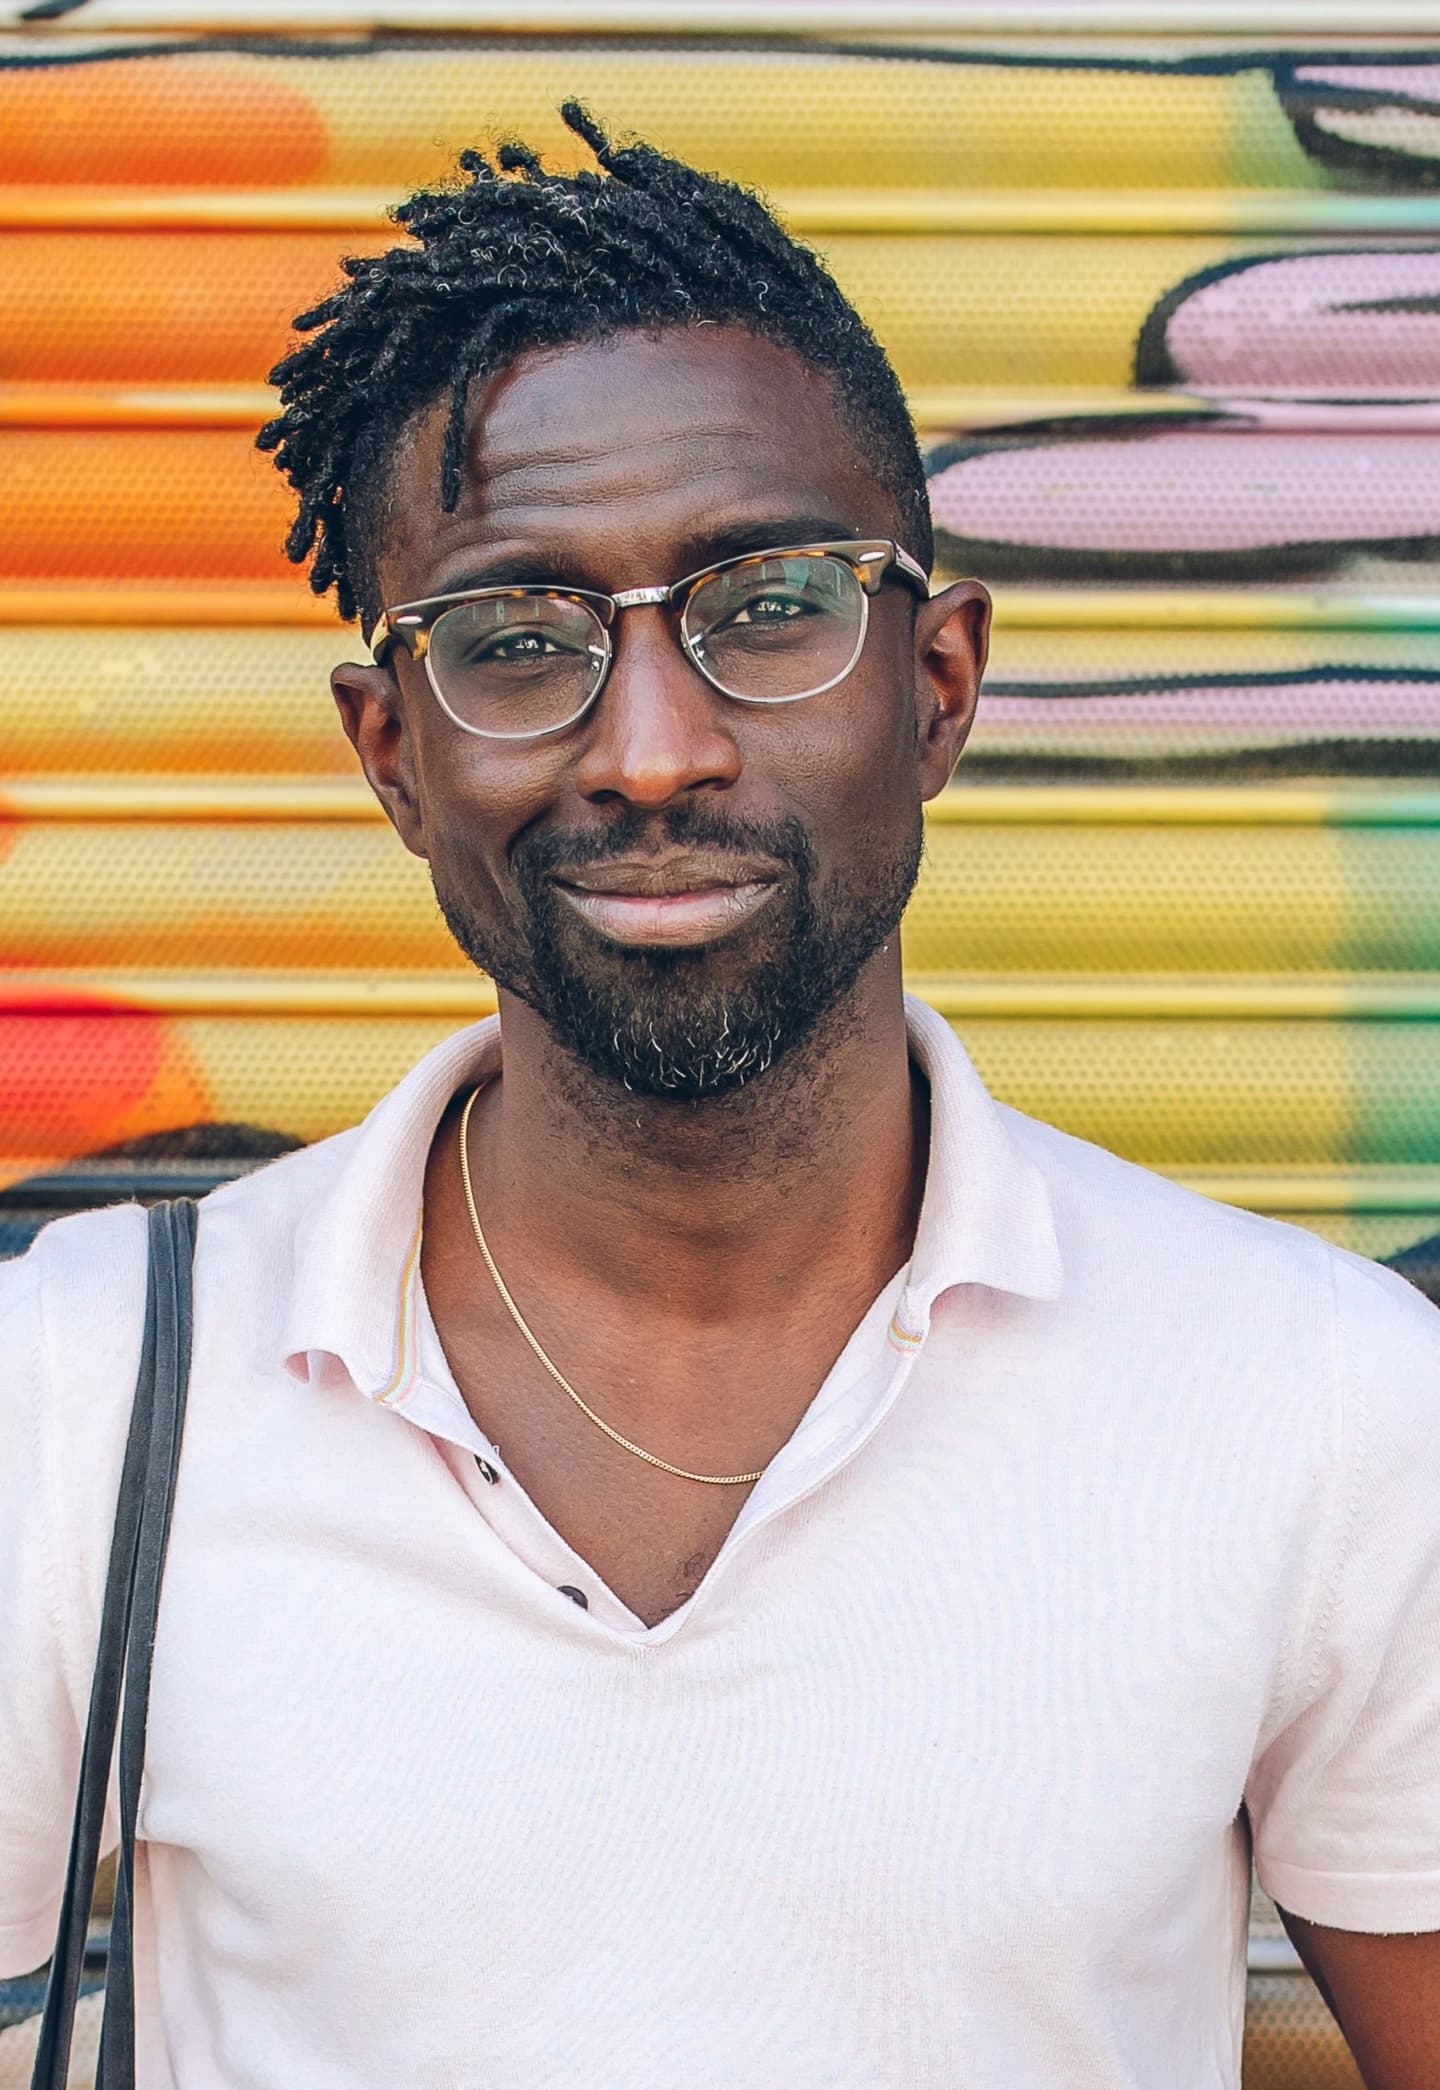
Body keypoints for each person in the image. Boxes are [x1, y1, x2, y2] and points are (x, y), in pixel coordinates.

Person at [2, 105, 1437, 2089]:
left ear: (937, 682)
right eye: (515, 643)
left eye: (767, 609)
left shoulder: (1321, 1399)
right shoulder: (77, 1394)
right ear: (391, 753)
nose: (655, 751)